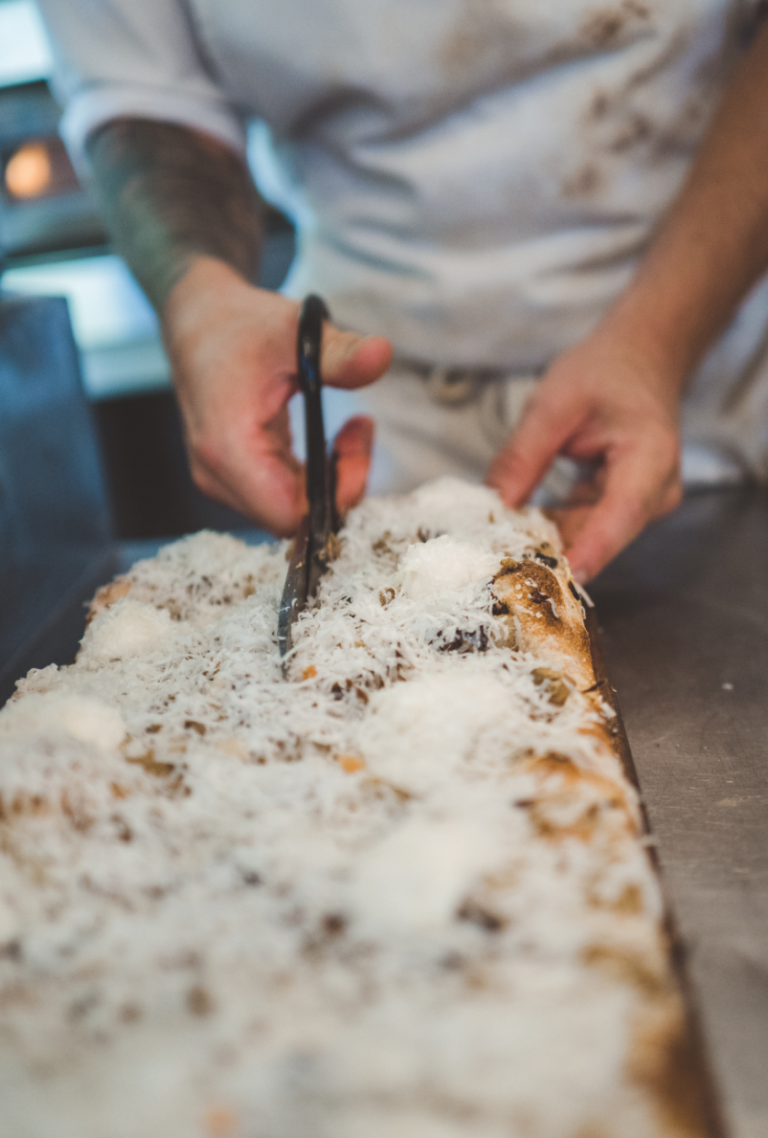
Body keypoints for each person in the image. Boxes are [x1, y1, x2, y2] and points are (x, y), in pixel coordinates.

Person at [36, 0, 768, 581]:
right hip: (382, 402)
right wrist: (199, 300)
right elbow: (145, 98)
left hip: (710, 349)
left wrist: (657, 343)